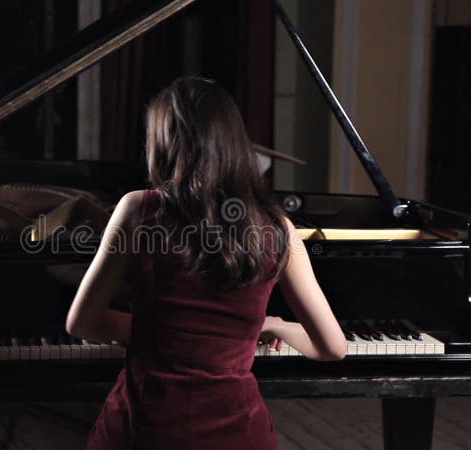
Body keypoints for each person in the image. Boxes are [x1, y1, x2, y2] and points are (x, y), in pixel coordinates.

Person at [66, 77, 346, 450]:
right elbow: (332, 347)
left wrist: (163, 331)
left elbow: (82, 323)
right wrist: (275, 325)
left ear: (163, 143)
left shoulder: (139, 209)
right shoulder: (279, 228)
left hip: (146, 429)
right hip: (238, 434)